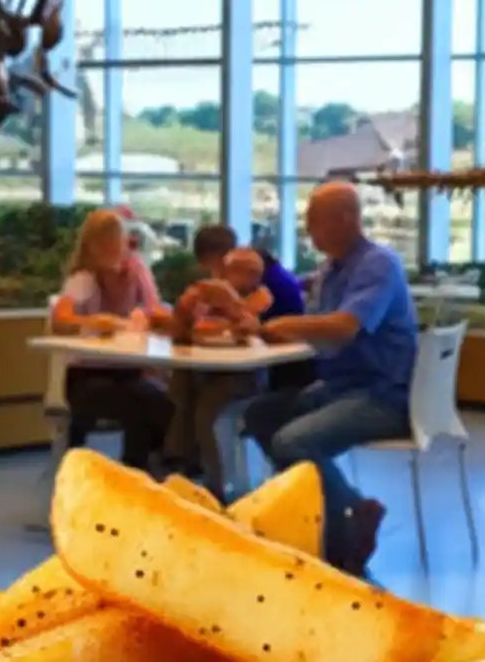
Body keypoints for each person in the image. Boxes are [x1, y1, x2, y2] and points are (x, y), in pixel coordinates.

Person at [243, 181, 417, 575]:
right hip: (340, 387)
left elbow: (344, 327)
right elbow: (304, 308)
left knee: (292, 441)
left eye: (314, 219)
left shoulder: (377, 264)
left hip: (382, 394)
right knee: (260, 415)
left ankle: (351, 515)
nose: (308, 229)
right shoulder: (331, 270)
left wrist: (284, 325)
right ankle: (319, 513)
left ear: (345, 219)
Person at [51, 209, 174, 471]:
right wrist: (94, 322)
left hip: (130, 370)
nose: (115, 249)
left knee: (161, 400)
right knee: (141, 401)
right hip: (88, 375)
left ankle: (142, 467)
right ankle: (134, 469)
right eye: (107, 243)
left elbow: (154, 309)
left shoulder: (136, 272)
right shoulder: (84, 279)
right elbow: (60, 319)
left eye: (117, 241)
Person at [163, 249, 273, 499]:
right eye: (233, 269)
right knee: (180, 385)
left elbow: (252, 330)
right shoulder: (207, 296)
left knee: (209, 407)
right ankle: (180, 463)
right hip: (205, 369)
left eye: (251, 272)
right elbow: (181, 334)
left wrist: (232, 305)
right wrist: (184, 309)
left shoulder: (261, 298)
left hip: (244, 374)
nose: (242, 277)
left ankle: (218, 484)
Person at [192, 224, 315, 391]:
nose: (216, 277)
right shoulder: (260, 268)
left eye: (213, 269)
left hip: (280, 370)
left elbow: (233, 325)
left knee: (205, 384)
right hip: (268, 358)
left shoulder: (255, 280)